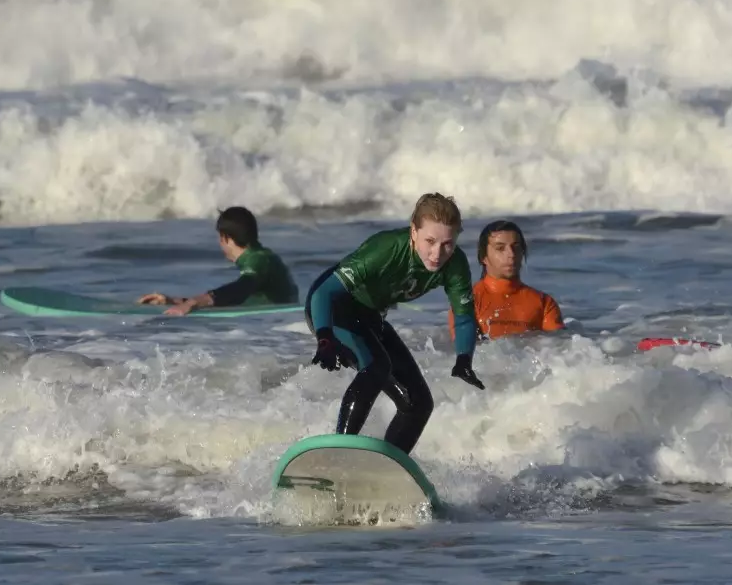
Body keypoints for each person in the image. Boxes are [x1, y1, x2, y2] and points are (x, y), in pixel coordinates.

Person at [305, 192, 485, 455]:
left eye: (447, 244)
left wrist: (464, 359)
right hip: (333, 308)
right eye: (430, 241)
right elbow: (324, 293)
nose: (437, 253)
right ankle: (339, 454)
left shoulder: (455, 264)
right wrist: (325, 337)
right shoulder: (386, 248)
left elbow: (465, 316)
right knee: (377, 367)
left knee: (418, 403)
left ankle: (387, 468)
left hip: (370, 316)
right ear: (414, 232)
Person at [137, 206, 299, 316]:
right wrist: (172, 300)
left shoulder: (259, 260)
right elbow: (232, 298)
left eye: (220, 238)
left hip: (279, 327)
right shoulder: (261, 258)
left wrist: (193, 303)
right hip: (279, 326)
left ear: (225, 238)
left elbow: (239, 289)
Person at [449, 220, 564, 340]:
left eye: (516, 247)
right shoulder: (466, 301)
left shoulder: (544, 303)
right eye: (500, 248)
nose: (511, 254)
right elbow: (464, 351)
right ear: (484, 257)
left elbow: (559, 351)